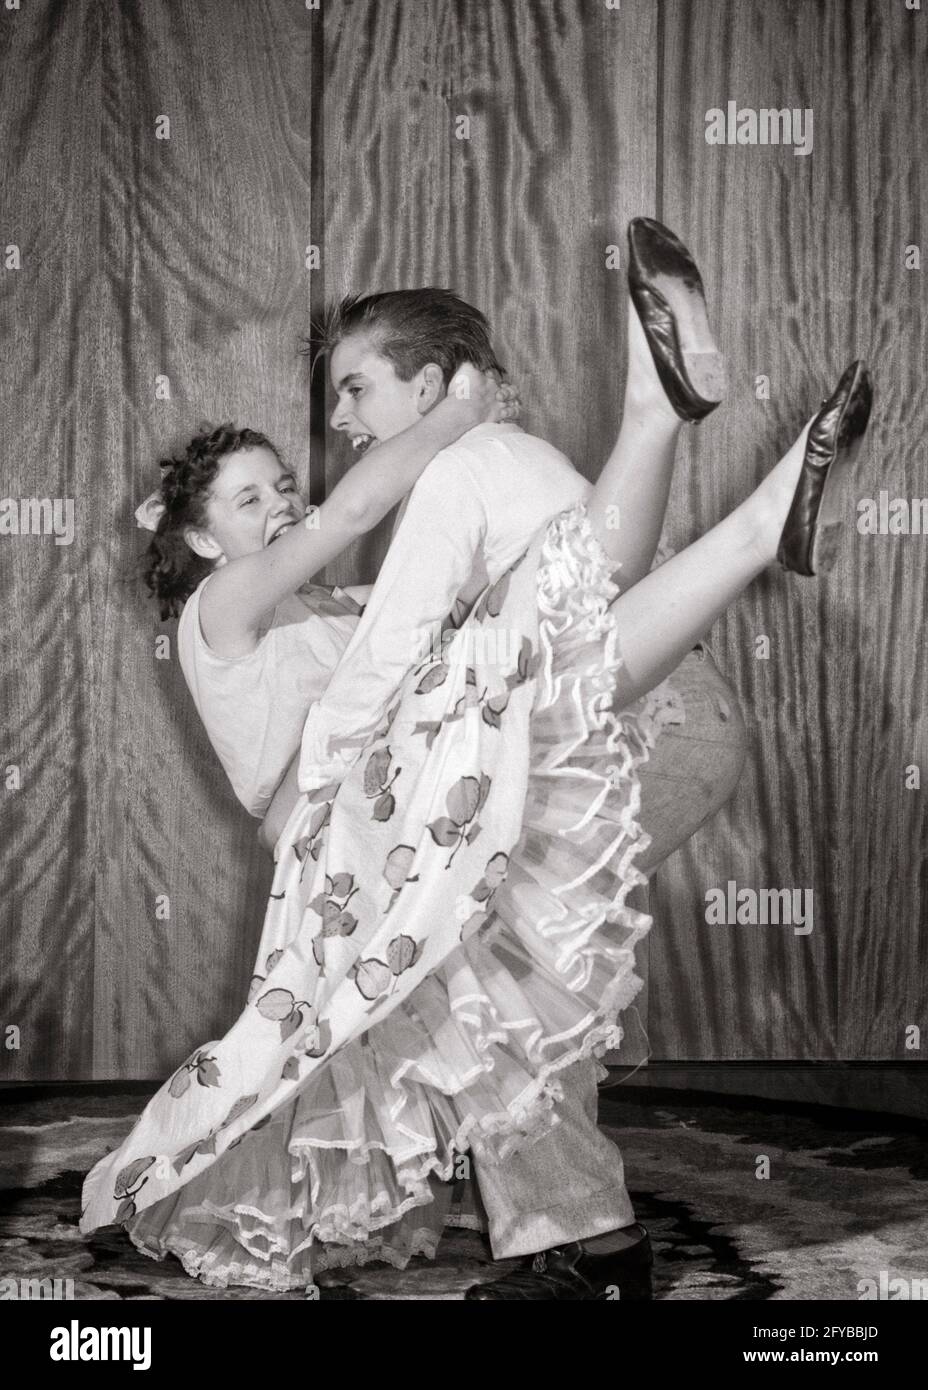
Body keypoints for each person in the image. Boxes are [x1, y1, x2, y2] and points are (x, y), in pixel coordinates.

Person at [80, 219, 873, 1300]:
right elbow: (411, 569)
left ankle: (585, 1251)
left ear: (431, 379)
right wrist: (458, 413)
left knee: (489, 963)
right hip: (478, 780)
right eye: (252, 497)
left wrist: (455, 432)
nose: (315, 463)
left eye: (353, 393)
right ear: (206, 541)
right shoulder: (223, 606)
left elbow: (445, 634)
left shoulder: (452, 484)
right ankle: (587, 1245)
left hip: (531, 754)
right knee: (487, 988)